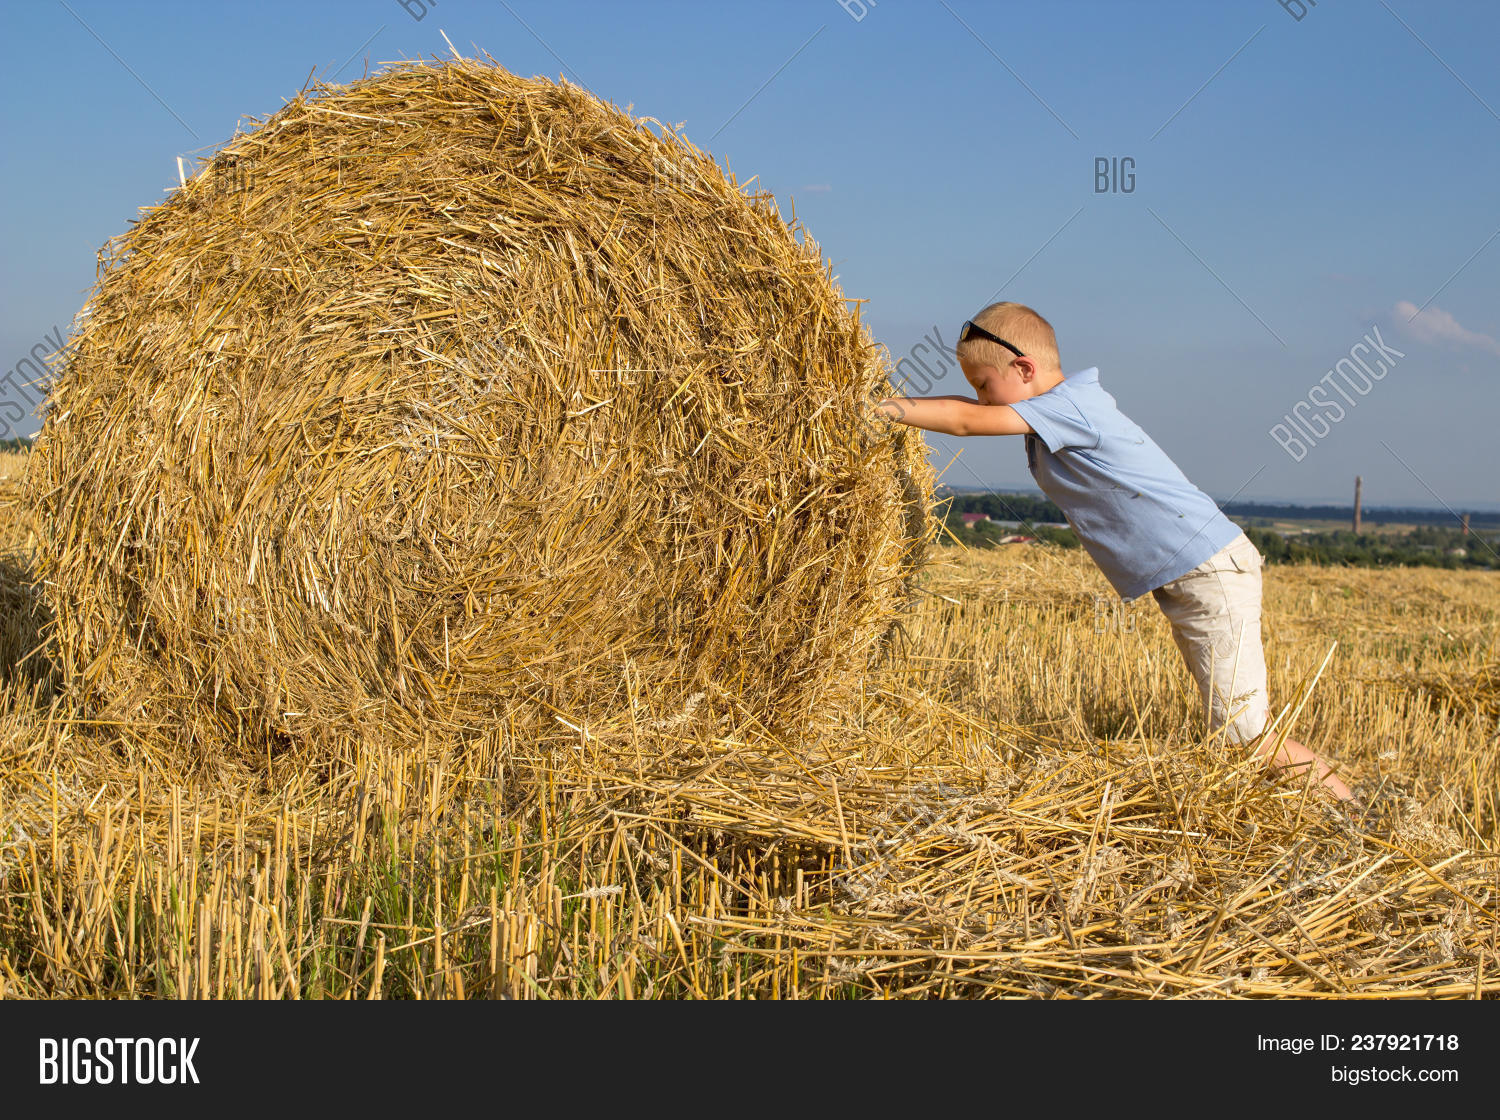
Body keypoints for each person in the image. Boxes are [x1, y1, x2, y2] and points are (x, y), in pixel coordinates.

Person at [877, 301, 1354, 802]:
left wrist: (874, 409)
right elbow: (964, 409)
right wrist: (900, 402)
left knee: (1247, 738)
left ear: (1024, 368)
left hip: (1210, 572)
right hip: (1198, 574)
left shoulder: (1073, 407)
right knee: (1236, 733)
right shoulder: (1056, 409)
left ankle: (1355, 821)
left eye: (983, 384)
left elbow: (964, 421)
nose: (979, 397)